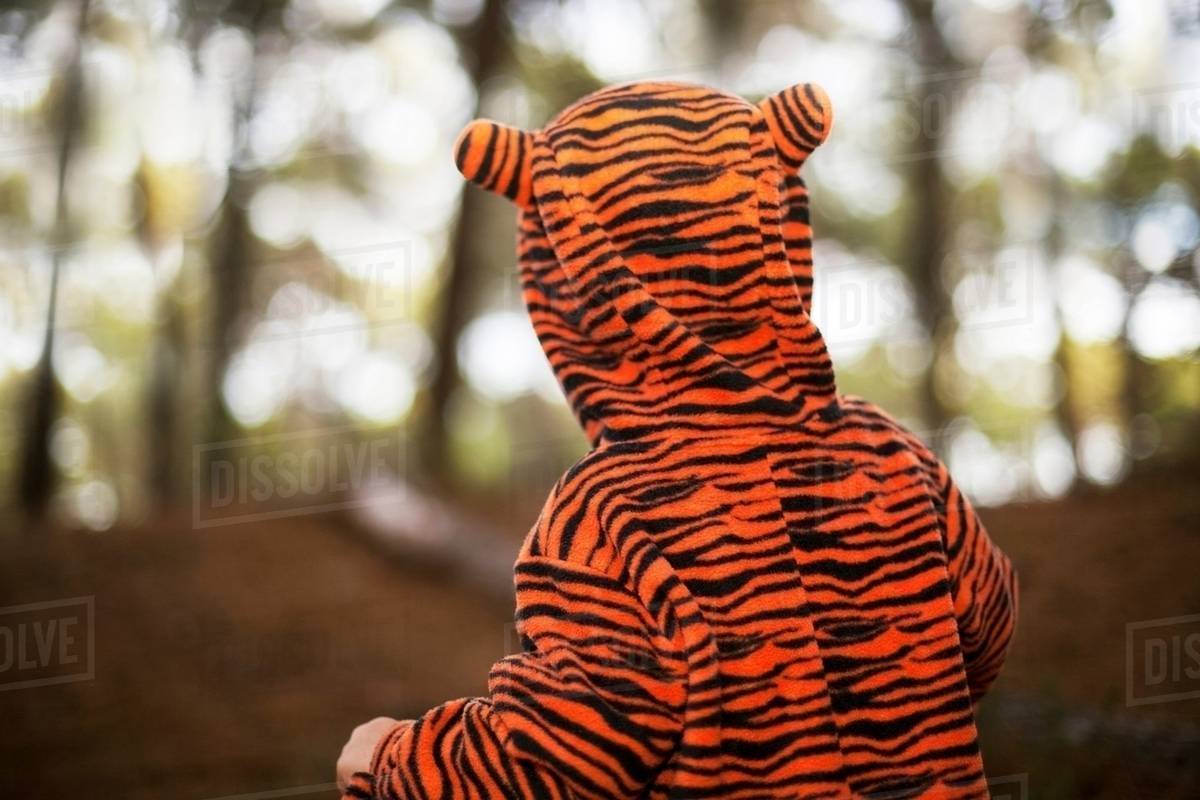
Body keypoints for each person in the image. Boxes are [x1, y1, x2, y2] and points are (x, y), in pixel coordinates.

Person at [338, 80, 1017, 799]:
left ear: (573, 296)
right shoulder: (898, 459)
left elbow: (559, 760)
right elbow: (987, 629)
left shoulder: (611, 514)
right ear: (779, 243)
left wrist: (393, 761)